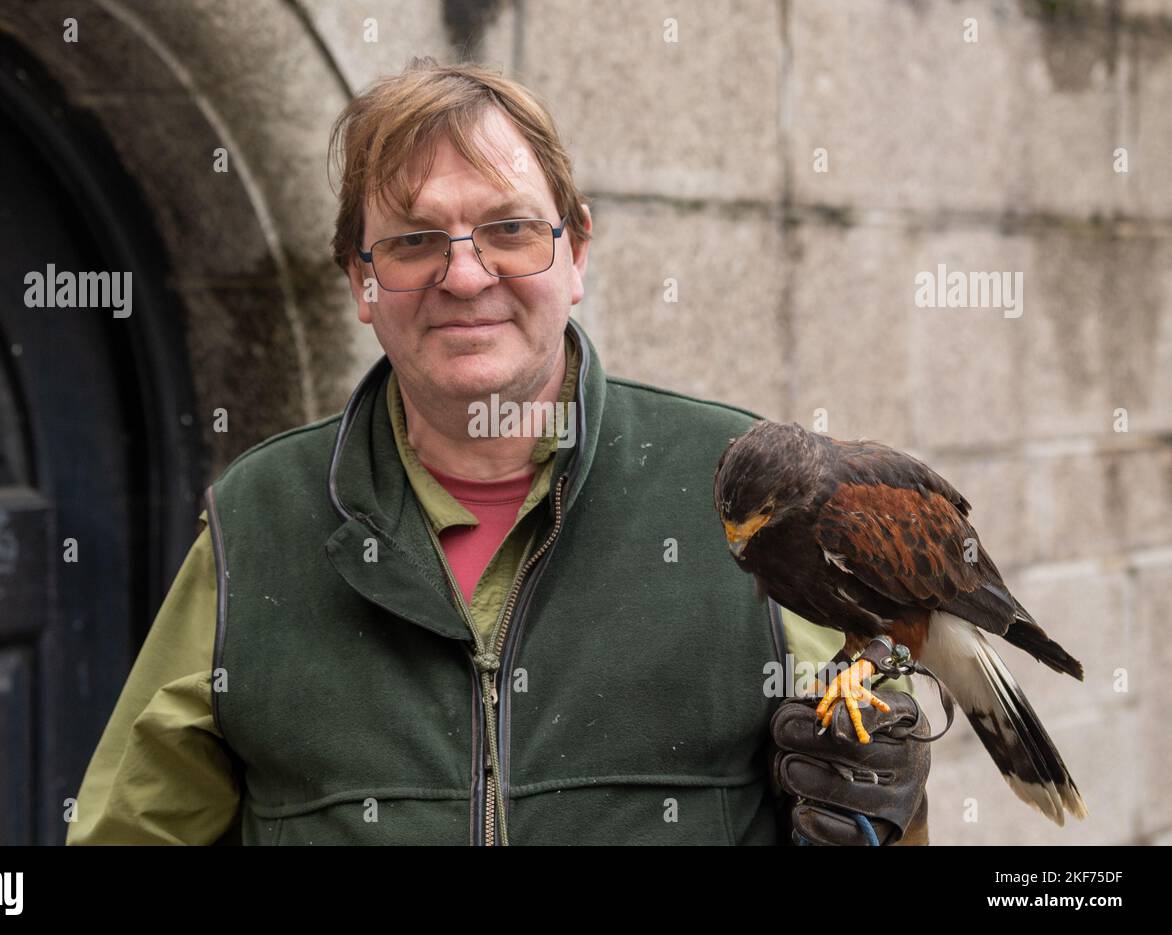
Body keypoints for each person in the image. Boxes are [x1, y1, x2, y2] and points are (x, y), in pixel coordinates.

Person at [67, 58, 929, 846]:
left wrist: (889, 810)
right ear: (360, 282)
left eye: (510, 229)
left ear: (576, 250)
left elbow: (871, 791)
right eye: (412, 242)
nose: (466, 276)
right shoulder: (258, 520)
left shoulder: (743, 492)